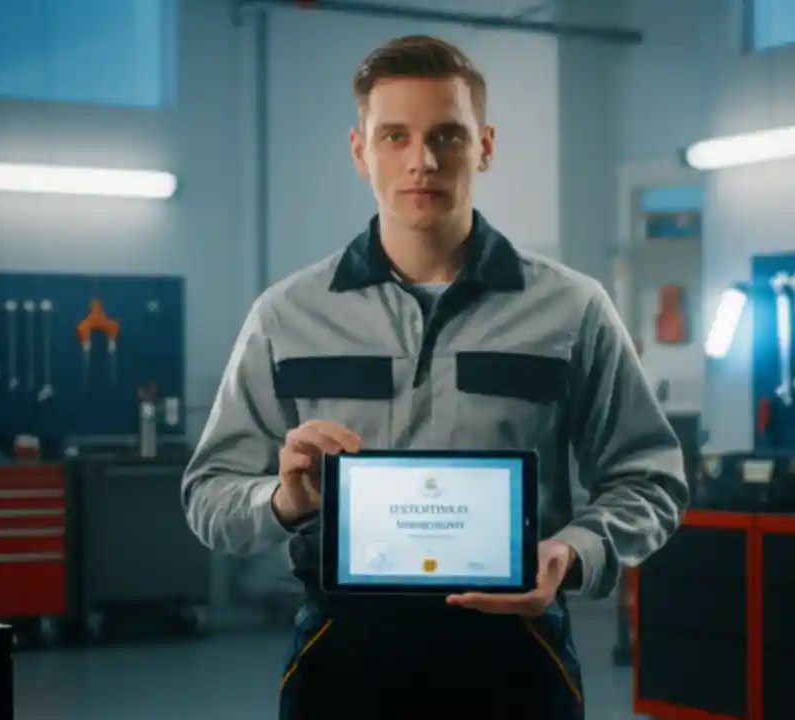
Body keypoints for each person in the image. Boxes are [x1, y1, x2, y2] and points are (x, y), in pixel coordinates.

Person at [182, 34, 688, 720]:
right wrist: (286, 500)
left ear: (485, 145)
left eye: (447, 135)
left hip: (517, 654)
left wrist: (570, 553)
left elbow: (650, 478)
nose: (422, 160)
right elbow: (209, 495)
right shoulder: (286, 314)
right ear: (360, 151)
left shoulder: (572, 309)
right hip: (344, 658)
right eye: (395, 136)